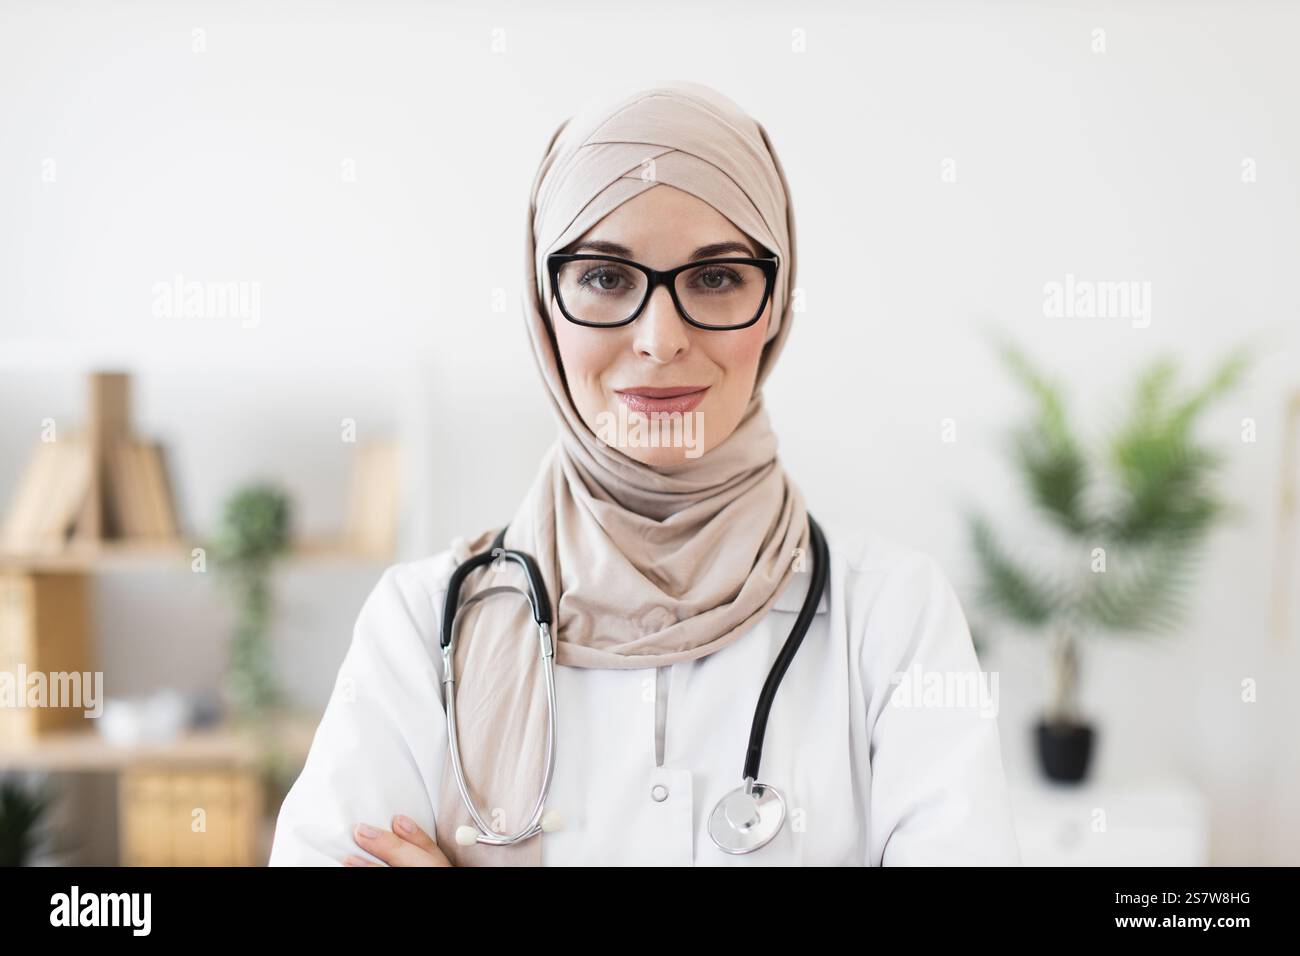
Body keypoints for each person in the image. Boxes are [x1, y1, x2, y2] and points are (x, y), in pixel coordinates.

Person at [269, 80, 1021, 867]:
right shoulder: (422, 626)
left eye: (717, 277)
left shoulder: (892, 619)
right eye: (605, 277)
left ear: (776, 305)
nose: (660, 338)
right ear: (542, 303)